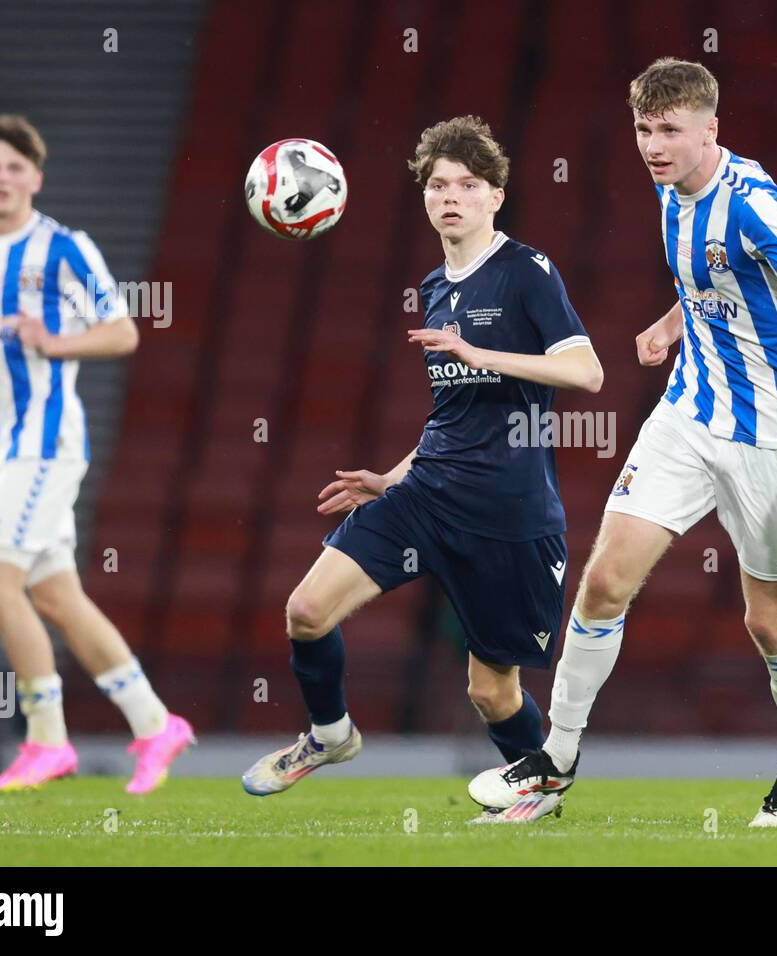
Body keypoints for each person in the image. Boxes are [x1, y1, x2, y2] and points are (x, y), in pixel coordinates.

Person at [468, 58, 777, 828]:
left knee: (769, 620)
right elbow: (714, 281)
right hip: (687, 414)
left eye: (671, 132)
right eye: (644, 130)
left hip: (774, 434)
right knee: (606, 579)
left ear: (711, 131)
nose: (654, 146)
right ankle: (556, 758)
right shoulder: (667, 187)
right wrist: (675, 320)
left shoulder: (757, 207)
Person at [240, 117, 604, 812]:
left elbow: (586, 373)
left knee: (490, 691)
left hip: (508, 513)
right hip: (428, 492)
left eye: (469, 185)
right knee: (307, 612)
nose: (452, 197)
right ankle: (330, 733)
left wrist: (480, 354)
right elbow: (453, 417)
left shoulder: (527, 271)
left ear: (496, 196)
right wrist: (391, 477)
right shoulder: (437, 284)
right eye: (438, 184)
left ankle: (543, 789)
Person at [0, 114, 193, 793]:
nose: (2, 178)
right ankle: (156, 723)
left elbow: (123, 331)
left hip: (47, 441)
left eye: (16, 167)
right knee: (57, 597)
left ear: (35, 179)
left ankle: (46, 739)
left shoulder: (65, 249)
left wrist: (55, 341)